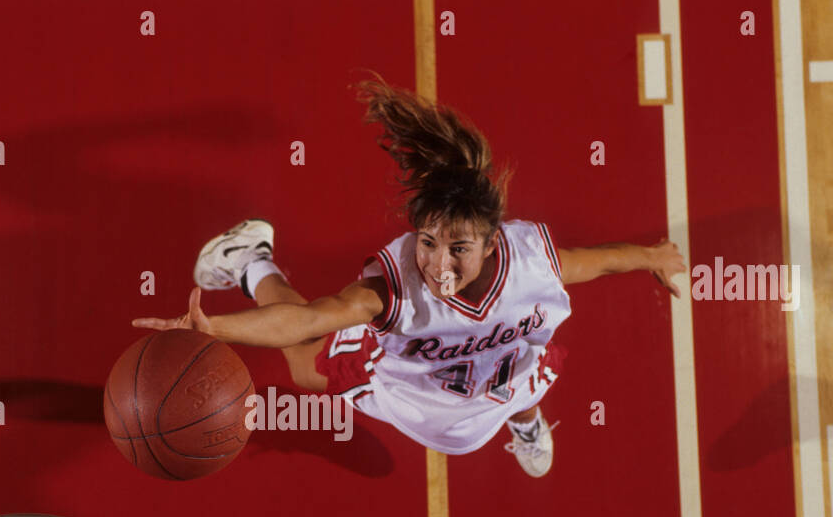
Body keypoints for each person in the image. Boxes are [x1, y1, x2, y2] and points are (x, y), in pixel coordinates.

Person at [134, 73, 686, 476]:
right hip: (411, 390)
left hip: (494, 381)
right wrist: (217, 329)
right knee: (305, 369)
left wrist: (655, 255)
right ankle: (252, 258)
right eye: (426, 244)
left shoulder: (535, 265)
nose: (439, 267)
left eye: (459, 250)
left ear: (493, 243)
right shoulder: (394, 289)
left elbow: (606, 259)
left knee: (522, 376)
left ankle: (522, 425)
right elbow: (306, 319)